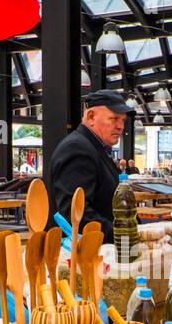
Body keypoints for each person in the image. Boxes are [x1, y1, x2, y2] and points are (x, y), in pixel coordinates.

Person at [50, 89, 128, 241]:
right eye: (114, 119)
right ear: (91, 117)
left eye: (123, 120)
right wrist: (124, 236)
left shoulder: (92, 146)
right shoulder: (77, 148)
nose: (121, 126)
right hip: (88, 254)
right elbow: (76, 212)